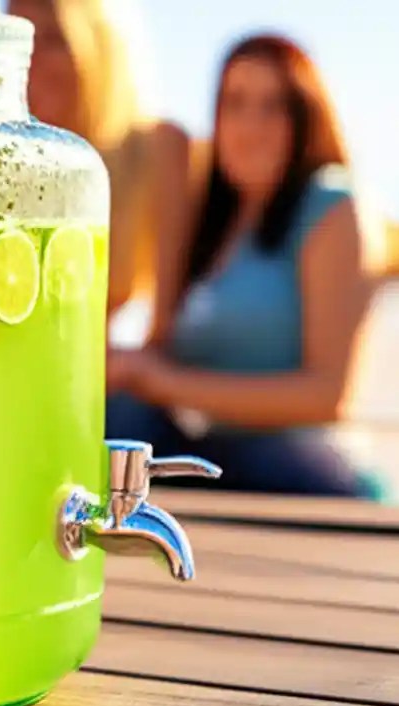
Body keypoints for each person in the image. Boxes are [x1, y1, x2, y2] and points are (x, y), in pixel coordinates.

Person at [104, 34, 382, 497]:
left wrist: (168, 385)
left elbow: (330, 397)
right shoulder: (212, 226)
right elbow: (161, 352)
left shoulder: (332, 206)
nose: (250, 126)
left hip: (302, 470)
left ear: (305, 117)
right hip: (220, 459)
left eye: (273, 106)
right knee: (119, 416)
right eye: (234, 104)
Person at [8, 0, 188, 317]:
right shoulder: (4, 163)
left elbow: (162, 330)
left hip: (114, 364)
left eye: (52, 40)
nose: (32, 60)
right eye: (20, 42)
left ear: (98, 43)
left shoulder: (160, 149)